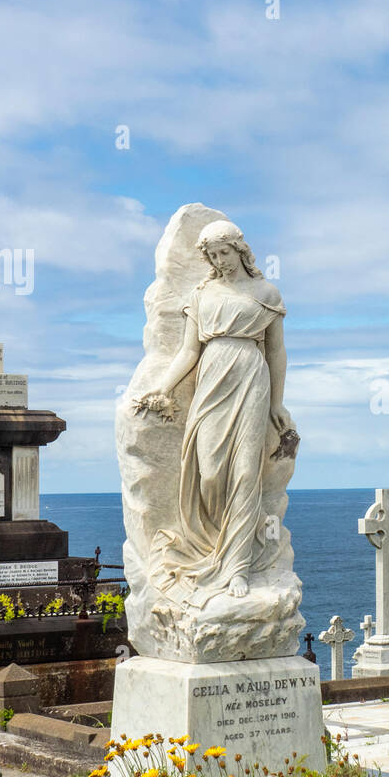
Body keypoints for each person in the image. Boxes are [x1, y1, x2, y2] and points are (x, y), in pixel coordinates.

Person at [137, 220, 292, 599]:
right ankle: (210, 547)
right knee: (209, 473)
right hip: (212, 381)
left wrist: (276, 402)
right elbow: (189, 352)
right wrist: (162, 388)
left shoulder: (265, 292)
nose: (220, 260)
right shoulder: (202, 294)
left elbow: (275, 351)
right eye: (213, 255)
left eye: (225, 252)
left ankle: (237, 566)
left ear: (240, 250)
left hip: (251, 379)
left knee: (245, 473)